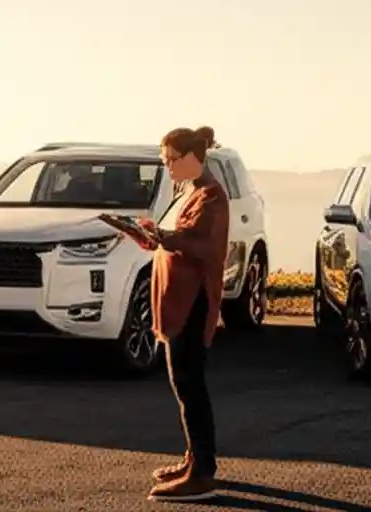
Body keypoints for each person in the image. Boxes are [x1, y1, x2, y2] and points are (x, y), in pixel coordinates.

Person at [137, 125, 230, 502]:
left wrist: (163, 236)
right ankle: (194, 459)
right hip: (176, 297)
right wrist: (149, 236)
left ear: (193, 157)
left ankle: (202, 473)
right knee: (184, 385)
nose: (168, 167)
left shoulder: (212, 196)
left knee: (190, 385)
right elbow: (176, 238)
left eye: (171, 160)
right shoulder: (186, 191)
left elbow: (199, 244)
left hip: (194, 300)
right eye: (164, 161)